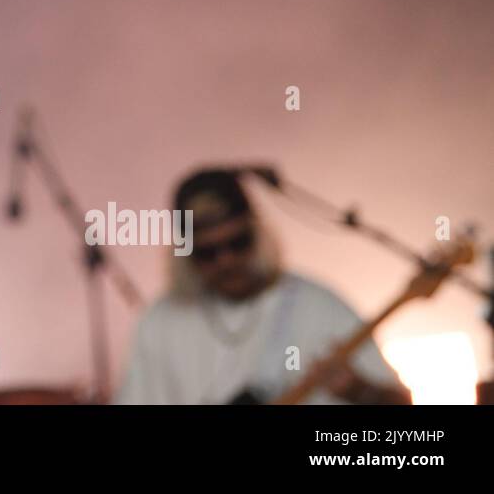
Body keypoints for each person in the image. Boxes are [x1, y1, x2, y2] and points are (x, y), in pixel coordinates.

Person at [116, 169, 410, 405]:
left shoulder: (317, 305)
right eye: (208, 252)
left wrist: (359, 392)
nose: (226, 260)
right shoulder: (160, 322)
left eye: (238, 243)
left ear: (257, 233)